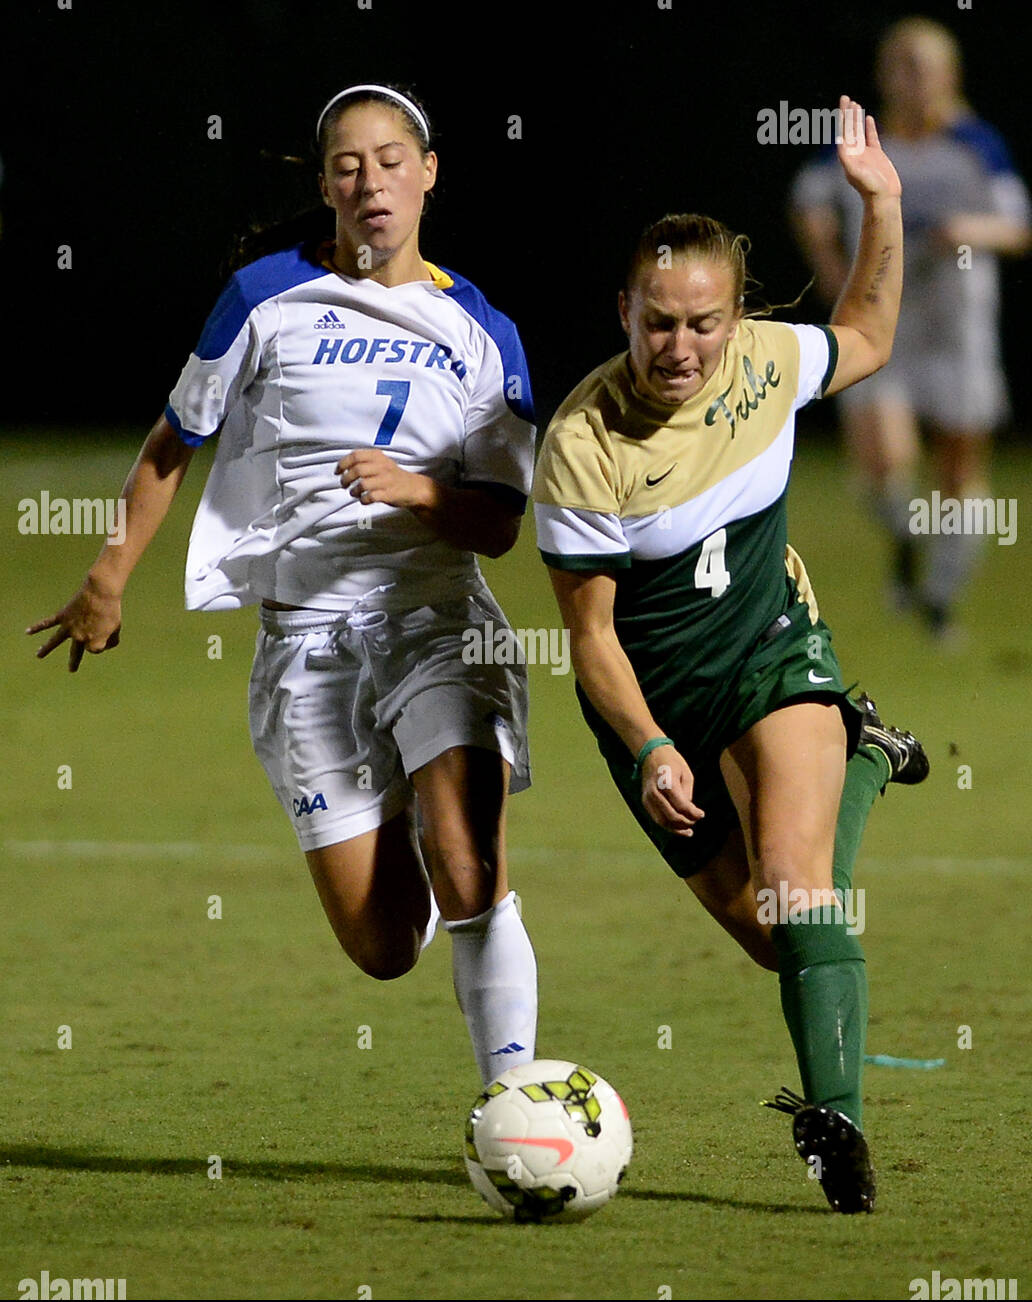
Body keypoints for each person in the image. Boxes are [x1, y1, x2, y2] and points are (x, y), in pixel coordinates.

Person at [28, 83, 539, 1086]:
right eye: (350, 165)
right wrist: (107, 574)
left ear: (429, 173)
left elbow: (502, 523)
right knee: (384, 945)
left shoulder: (485, 331)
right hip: (305, 641)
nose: (372, 181)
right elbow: (175, 441)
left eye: (392, 160)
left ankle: (516, 1100)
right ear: (327, 187)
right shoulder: (263, 297)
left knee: (474, 868)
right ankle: (424, 841)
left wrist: (421, 492)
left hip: (434, 620)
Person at [533, 96, 927, 1214]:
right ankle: (863, 757)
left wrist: (883, 203)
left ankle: (837, 1129)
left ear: (737, 313)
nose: (683, 347)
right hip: (652, 709)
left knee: (803, 901)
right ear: (625, 310)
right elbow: (592, 639)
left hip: (771, 657)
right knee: (773, 940)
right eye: (660, 322)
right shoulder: (582, 445)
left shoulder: (766, 363)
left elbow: (873, 333)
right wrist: (653, 745)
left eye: (704, 321)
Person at [791, 18, 1031, 640]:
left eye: (924, 68)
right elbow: (811, 202)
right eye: (901, 67)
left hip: (957, 329)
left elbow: (1016, 227)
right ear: (884, 75)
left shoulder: (977, 144)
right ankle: (905, 543)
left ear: (950, 76)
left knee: (956, 469)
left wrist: (967, 230)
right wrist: (831, 266)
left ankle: (939, 599)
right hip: (883, 323)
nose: (913, 81)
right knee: (885, 457)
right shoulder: (863, 139)